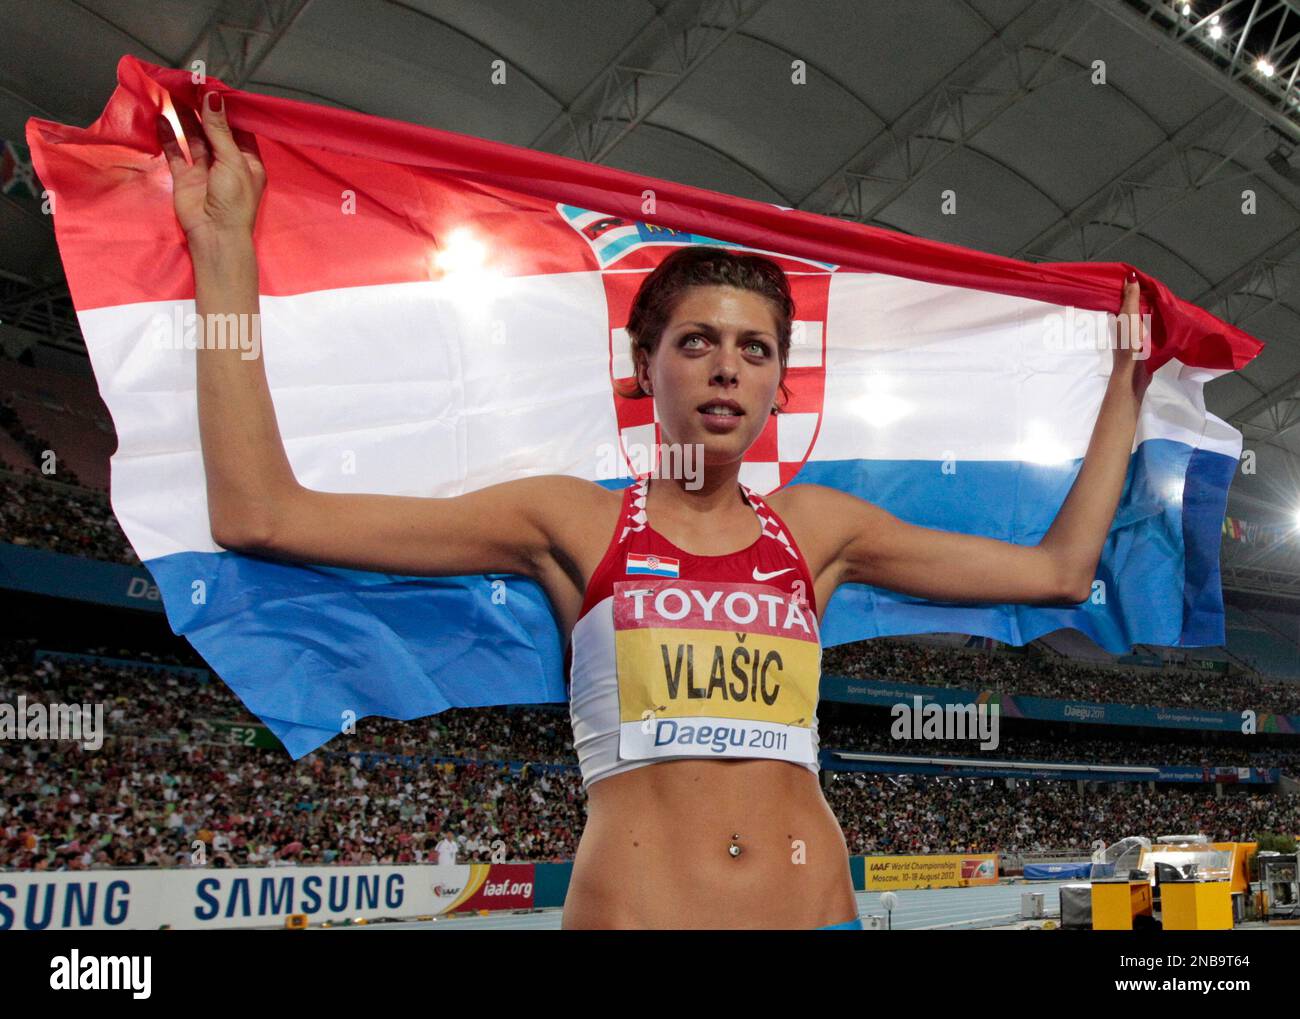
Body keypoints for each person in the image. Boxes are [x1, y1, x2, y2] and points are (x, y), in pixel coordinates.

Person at [155, 90, 1151, 930]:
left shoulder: (817, 530)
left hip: (816, 906)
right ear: (645, 366)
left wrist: (1126, 392)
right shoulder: (571, 522)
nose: (726, 364)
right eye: (696, 341)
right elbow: (262, 513)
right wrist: (223, 250)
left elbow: (1059, 570)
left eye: (754, 347)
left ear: (779, 387)